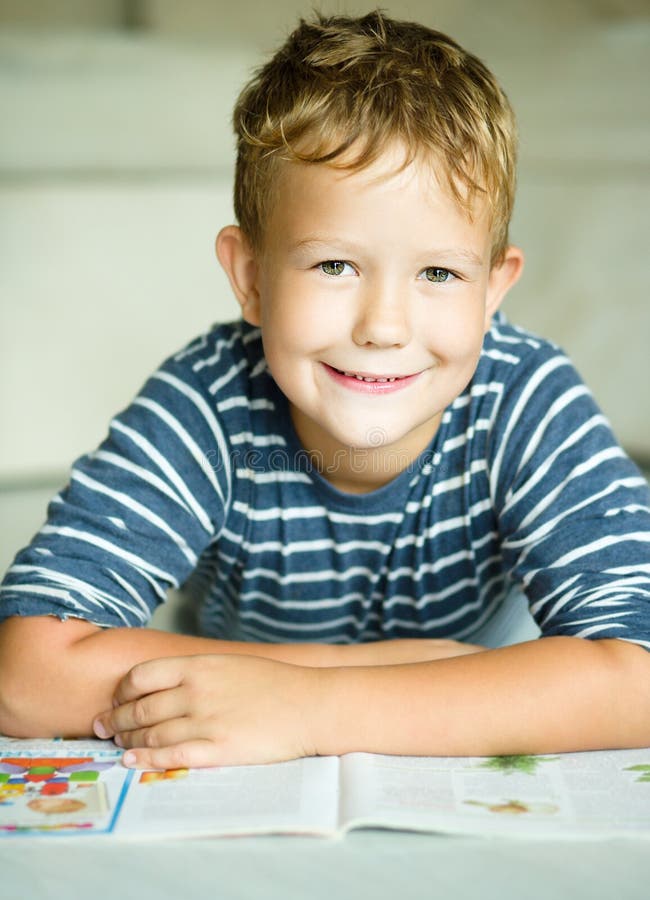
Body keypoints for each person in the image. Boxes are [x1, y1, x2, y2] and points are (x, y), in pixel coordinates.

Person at [0, 11, 649, 770]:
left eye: (438, 273)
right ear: (250, 277)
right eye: (334, 265)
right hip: (271, 730)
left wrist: (311, 707)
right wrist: (405, 670)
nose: (383, 327)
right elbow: (23, 673)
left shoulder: (526, 398)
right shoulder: (210, 402)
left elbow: (637, 670)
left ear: (493, 290)